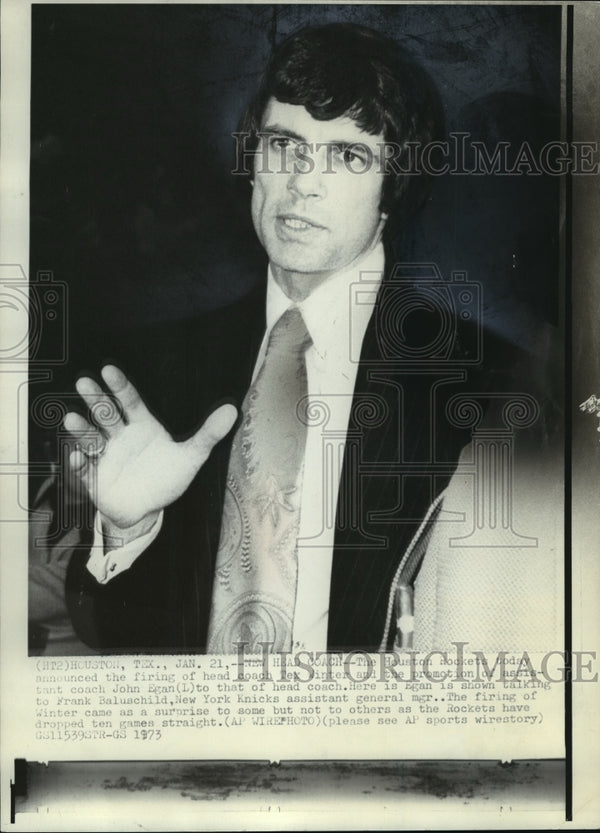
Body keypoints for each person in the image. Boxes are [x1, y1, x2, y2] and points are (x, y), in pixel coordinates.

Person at [31, 23, 562, 655]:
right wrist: (127, 530)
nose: (303, 181)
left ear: (393, 188)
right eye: (284, 145)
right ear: (253, 161)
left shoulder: (490, 389)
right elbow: (111, 634)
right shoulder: (158, 372)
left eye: (348, 156)